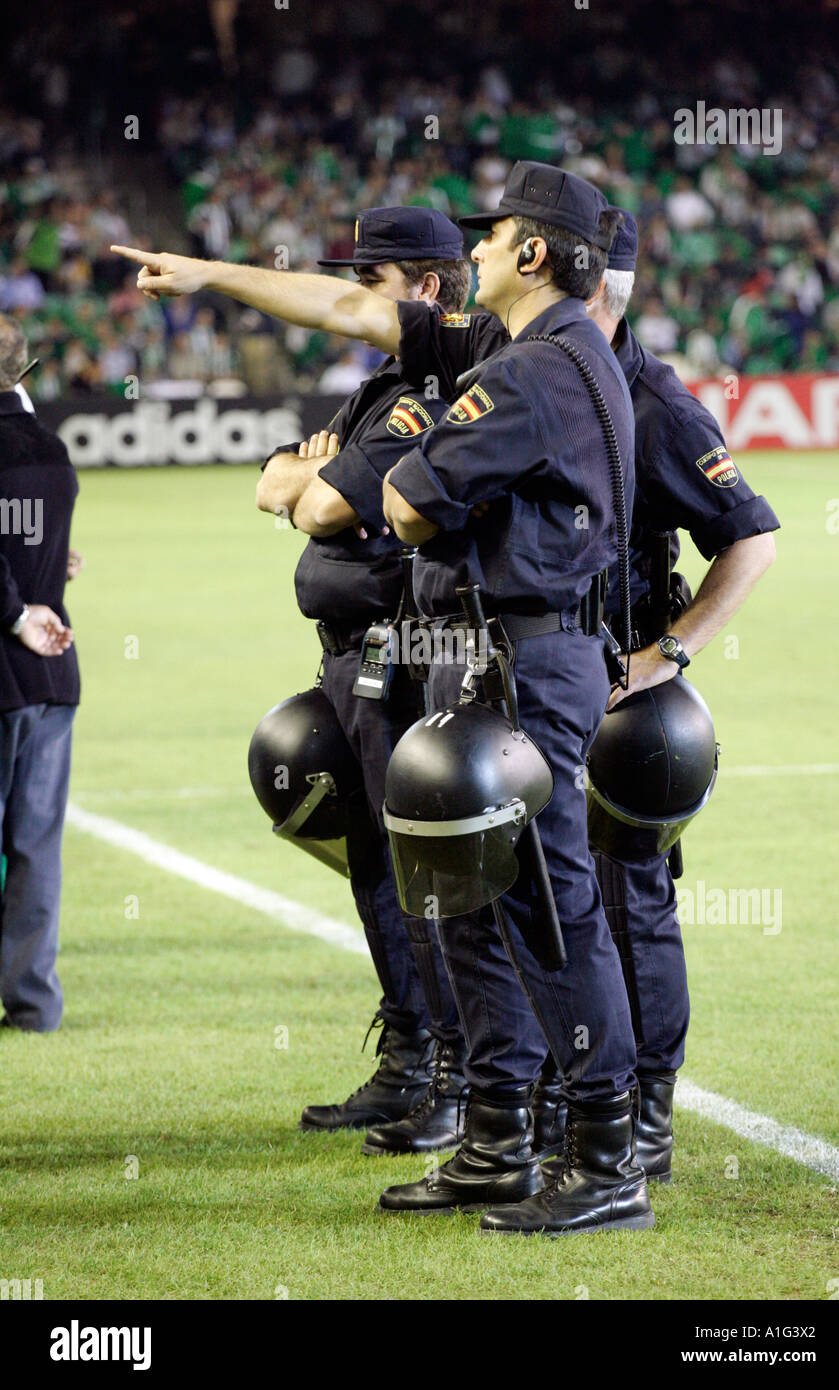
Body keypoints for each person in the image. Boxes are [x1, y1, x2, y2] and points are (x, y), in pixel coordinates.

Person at [376, 163, 651, 1235]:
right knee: (484, 912)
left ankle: (600, 1156)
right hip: (523, 656)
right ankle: (501, 1142)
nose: (473, 247)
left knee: (550, 911)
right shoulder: (566, 354)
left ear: (533, 253)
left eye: (489, 234)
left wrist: (416, 468)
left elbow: (402, 503)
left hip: (519, 667)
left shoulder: (536, 370)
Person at [251, 210, 474, 1143]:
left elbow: (318, 503)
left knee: (424, 872)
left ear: (422, 289)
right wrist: (303, 484)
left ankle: (456, 1074)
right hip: (349, 658)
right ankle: (410, 1052)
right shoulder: (378, 389)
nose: (351, 301)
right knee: (374, 864)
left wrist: (312, 487)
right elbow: (274, 484)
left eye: (368, 281)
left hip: (402, 658)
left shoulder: (433, 395)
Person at [0, 316, 78, 1033]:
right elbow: (37, 544)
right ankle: (33, 1003)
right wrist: (49, 578)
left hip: (10, 656)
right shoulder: (50, 449)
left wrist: (15, 608)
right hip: (54, 669)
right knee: (35, 841)